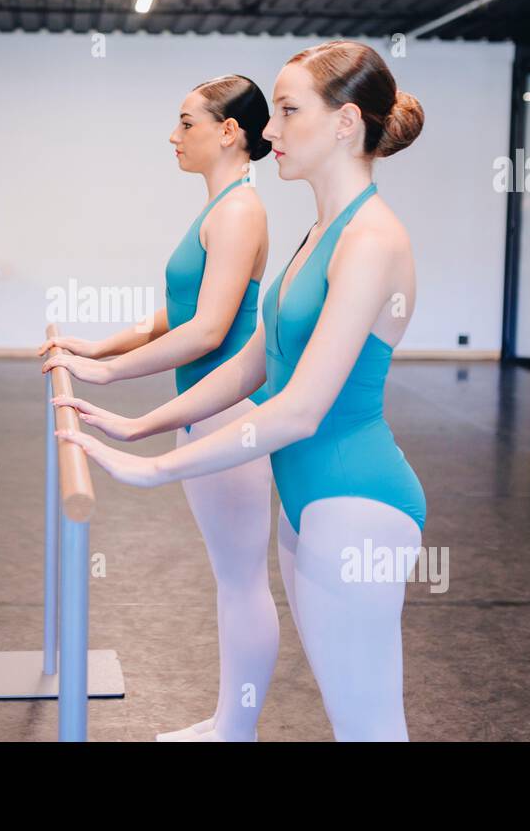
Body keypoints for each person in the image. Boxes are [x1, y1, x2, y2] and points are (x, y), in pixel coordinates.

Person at [56, 40, 427, 740]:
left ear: (345, 123)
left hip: (359, 505)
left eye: (288, 111)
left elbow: (301, 406)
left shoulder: (374, 240)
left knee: (368, 726)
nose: (271, 132)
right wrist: (136, 423)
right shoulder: (321, 233)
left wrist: (159, 467)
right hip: (310, 501)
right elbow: (254, 366)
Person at [40, 75, 276, 742]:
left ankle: (238, 729)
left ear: (229, 131)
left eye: (187, 123)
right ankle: (229, 722)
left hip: (229, 412)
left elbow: (207, 332)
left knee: (241, 581)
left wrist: (105, 373)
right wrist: (94, 346)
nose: (174, 137)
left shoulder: (238, 210)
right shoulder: (218, 207)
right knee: (230, 581)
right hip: (204, 409)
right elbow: (172, 316)